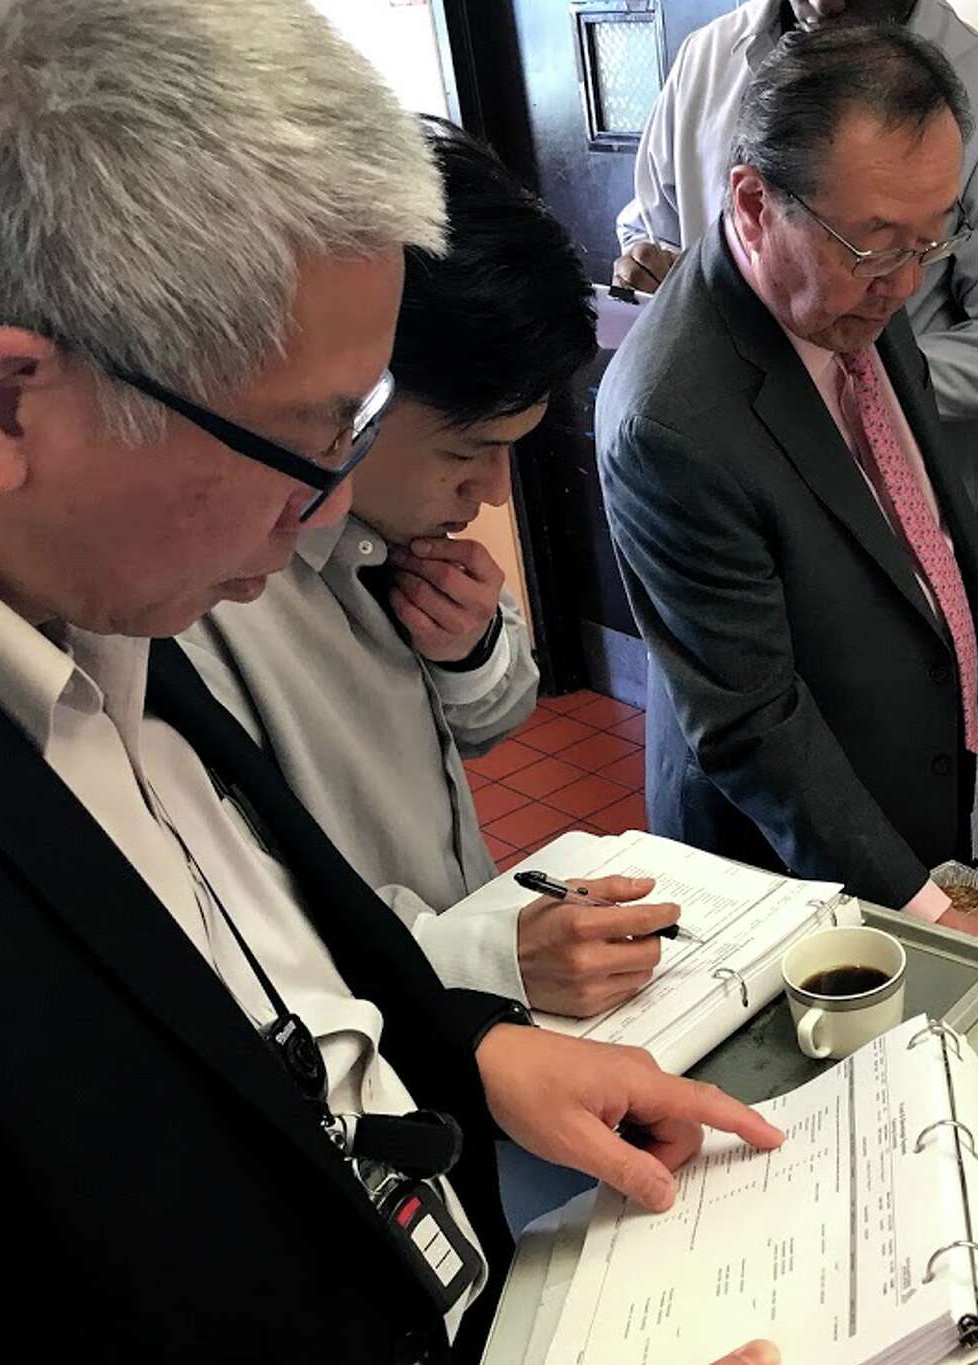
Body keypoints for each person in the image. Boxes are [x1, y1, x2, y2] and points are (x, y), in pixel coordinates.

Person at [0, 4, 779, 1360]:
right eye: (315, 434)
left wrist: (473, 1052)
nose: (331, 502)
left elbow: (270, 972)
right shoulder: (159, 603)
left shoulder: (108, 608)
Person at [182, 118, 670, 1022]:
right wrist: (485, 954)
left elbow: (498, 714)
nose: (488, 493)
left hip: (458, 1007)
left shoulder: (394, 532)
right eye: (466, 452)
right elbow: (245, 947)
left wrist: (472, 646)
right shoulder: (200, 590)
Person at [599, 25, 978, 939]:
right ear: (754, 204)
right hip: (783, 870)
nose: (906, 283)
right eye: (877, 246)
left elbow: (868, 490)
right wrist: (921, 909)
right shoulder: (672, 420)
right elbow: (753, 723)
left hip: (905, 783)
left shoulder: (859, 275)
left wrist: (945, 580)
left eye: (933, 240)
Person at [613, 0, 978, 511]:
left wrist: (843, 381)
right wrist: (648, 260)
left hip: (896, 494)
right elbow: (652, 220)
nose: (906, 283)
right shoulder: (704, 59)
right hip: (710, 467)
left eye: (925, 245)